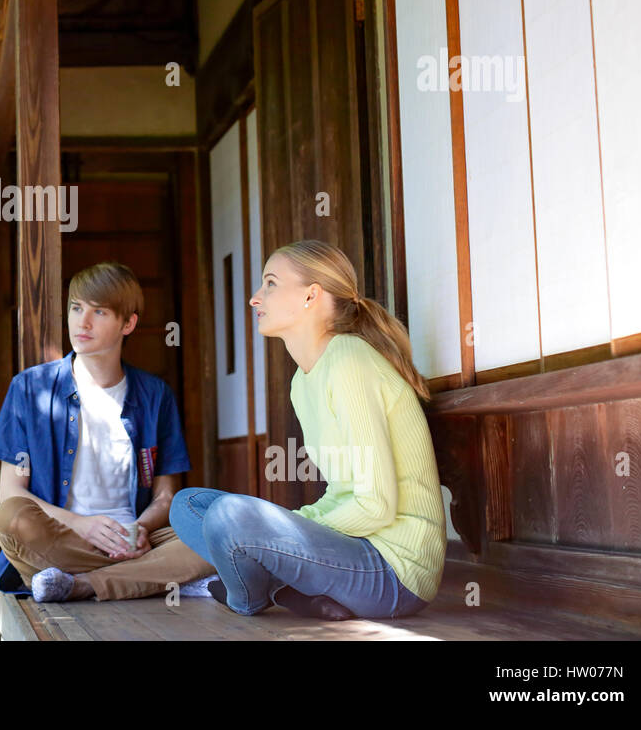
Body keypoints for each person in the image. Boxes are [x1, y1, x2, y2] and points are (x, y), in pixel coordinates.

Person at [170, 239, 446, 621]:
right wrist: (287, 532)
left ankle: (250, 595)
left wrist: (287, 533)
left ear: (310, 296)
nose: (254, 298)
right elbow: (341, 491)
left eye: (270, 283)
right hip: (350, 552)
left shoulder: (350, 360)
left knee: (232, 516)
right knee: (188, 506)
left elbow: (376, 505)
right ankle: (286, 588)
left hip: (393, 572)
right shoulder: (303, 380)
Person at [0, 261, 216, 603]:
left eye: (99, 312)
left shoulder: (154, 396)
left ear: (128, 323)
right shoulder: (29, 388)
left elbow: (166, 497)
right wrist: (82, 524)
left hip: (134, 541)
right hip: (61, 537)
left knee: (212, 535)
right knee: (11, 518)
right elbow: (11, 493)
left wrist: (140, 529)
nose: (83, 321)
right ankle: (144, 578)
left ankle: (81, 584)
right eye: (76, 308)